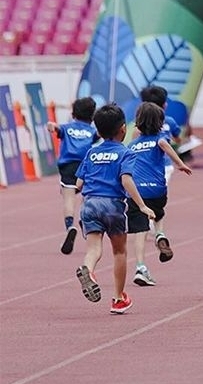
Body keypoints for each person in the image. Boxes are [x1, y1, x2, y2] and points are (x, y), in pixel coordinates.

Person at [73, 103, 157, 314]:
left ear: (98, 131)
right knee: (119, 251)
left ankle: (89, 270)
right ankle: (118, 298)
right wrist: (142, 205)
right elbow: (126, 179)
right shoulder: (125, 153)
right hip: (112, 205)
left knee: (93, 249)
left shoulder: (91, 152)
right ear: (123, 129)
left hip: (89, 204)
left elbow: (79, 184)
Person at [126, 102, 192, 287]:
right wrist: (179, 164)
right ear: (160, 123)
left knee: (139, 231)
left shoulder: (131, 145)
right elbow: (165, 145)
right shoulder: (160, 138)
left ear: (137, 124)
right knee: (159, 212)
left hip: (137, 192)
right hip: (157, 189)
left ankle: (141, 267)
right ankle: (160, 234)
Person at [47, 96, 97, 256]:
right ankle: (84, 219)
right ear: (92, 116)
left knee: (68, 199)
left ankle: (70, 226)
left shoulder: (67, 128)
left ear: (73, 113)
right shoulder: (91, 131)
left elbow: (56, 128)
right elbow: (102, 134)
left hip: (67, 167)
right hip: (85, 166)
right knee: (87, 196)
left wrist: (52, 126)